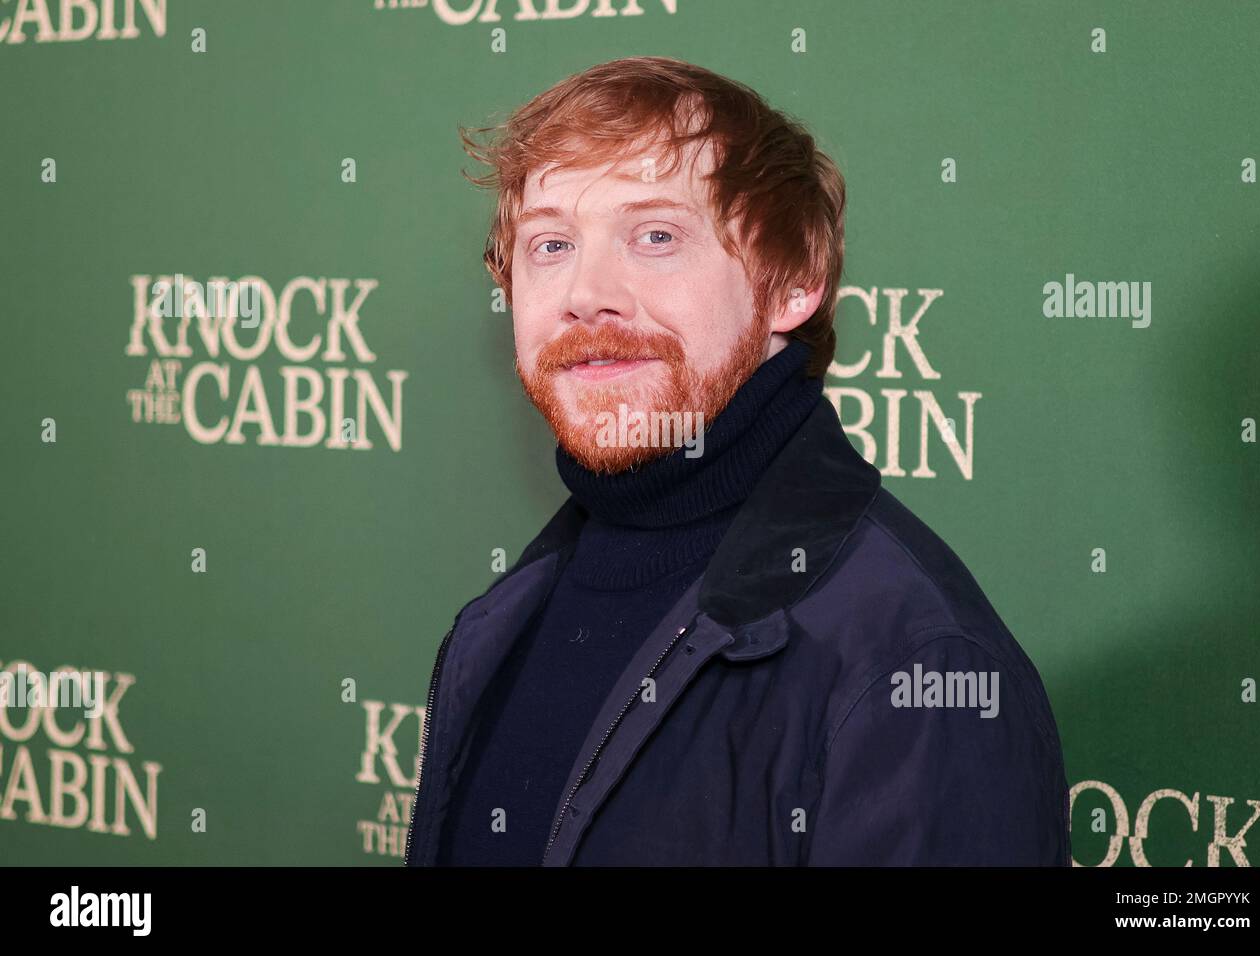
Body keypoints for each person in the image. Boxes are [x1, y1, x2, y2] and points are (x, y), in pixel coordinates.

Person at [405, 55, 1070, 866]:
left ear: (793, 283)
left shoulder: (911, 664)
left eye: (655, 235)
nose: (586, 292)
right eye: (550, 243)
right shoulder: (503, 623)